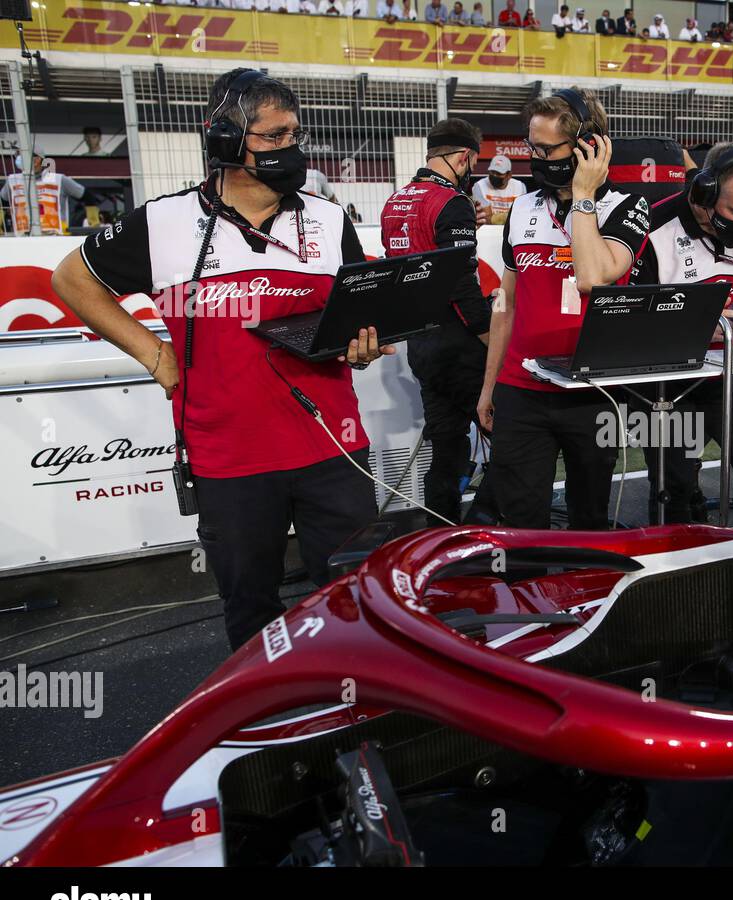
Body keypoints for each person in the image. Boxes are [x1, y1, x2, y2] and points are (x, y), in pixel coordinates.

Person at [50, 69, 388, 651]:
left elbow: (354, 318)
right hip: (228, 459)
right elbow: (71, 279)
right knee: (250, 606)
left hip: (332, 445)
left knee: (352, 596)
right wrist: (154, 355)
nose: (293, 150)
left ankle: (353, 713)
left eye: (295, 135)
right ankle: (268, 726)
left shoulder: (331, 220)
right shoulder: (164, 221)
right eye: (275, 137)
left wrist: (364, 346)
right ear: (228, 140)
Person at [477, 89, 650, 530]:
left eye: (545, 148)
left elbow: (594, 276)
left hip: (592, 393)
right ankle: (522, 597)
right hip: (521, 389)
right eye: (531, 146)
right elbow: (506, 304)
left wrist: (583, 195)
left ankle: (585, 597)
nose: (534, 157)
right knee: (520, 520)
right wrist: (490, 384)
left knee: (589, 518)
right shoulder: (522, 208)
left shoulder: (627, 207)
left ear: (588, 146)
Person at [629, 143, 733, 523]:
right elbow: (633, 321)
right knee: (673, 490)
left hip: (731, 373)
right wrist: (707, 319)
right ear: (704, 192)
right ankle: (675, 571)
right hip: (668, 381)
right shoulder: (653, 227)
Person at [380, 119, 497, 526]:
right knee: (514, 444)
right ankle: (484, 531)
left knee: (446, 450)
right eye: (473, 162)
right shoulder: (452, 202)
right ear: (464, 157)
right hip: (460, 344)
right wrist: (491, 339)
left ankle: (441, 539)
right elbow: (461, 285)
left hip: (422, 345)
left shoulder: (396, 200)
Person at [1, 149, 86, 236]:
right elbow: (2, 202)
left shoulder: (59, 179)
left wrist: (92, 220)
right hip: (23, 239)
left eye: (21, 155)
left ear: (37, 160)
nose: (18, 159)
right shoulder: (12, 180)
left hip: (56, 238)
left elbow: (87, 196)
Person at [472, 153, 527, 225]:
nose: (494, 176)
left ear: (509, 175)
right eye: (492, 172)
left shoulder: (520, 187)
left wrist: (497, 218)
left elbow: (522, 216)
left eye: (499, 173)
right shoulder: (479, 186)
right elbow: (486, 218)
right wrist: (507, 216)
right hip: (487, 232)